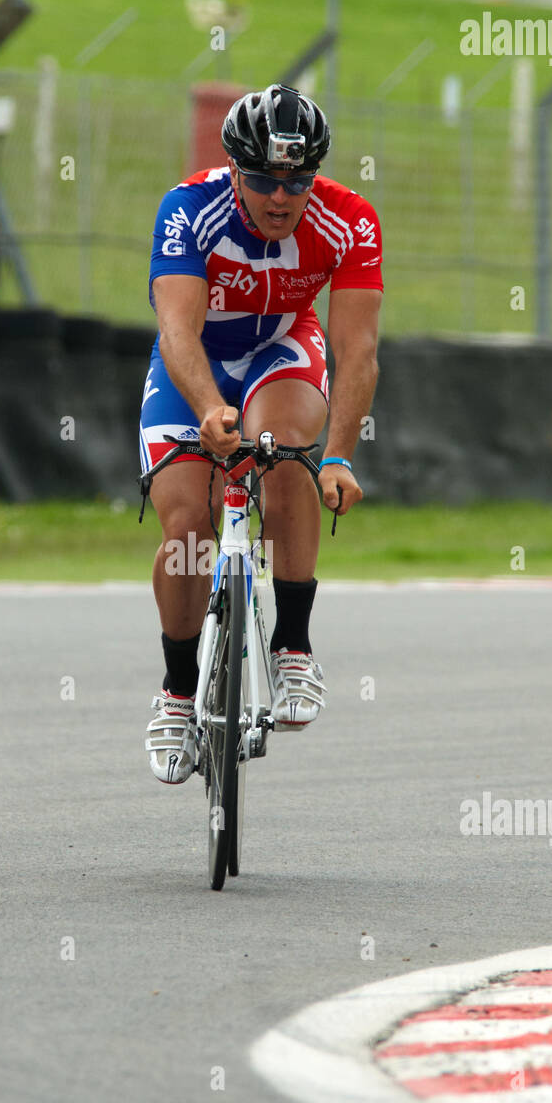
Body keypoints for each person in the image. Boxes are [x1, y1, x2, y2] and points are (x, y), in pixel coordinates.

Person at [141, 82, 382, 784]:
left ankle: (294, 644)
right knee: (187, 523)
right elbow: (177, 330)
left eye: (297, 180)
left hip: (283, 350)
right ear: (235, 172)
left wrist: (337, 457)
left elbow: (357, 352)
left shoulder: (350, 220)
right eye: (263, 180)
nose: (280, 196)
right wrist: (211, 408)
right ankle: (179, 691)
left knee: (284, 456)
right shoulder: (189, 208)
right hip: (198, 362)